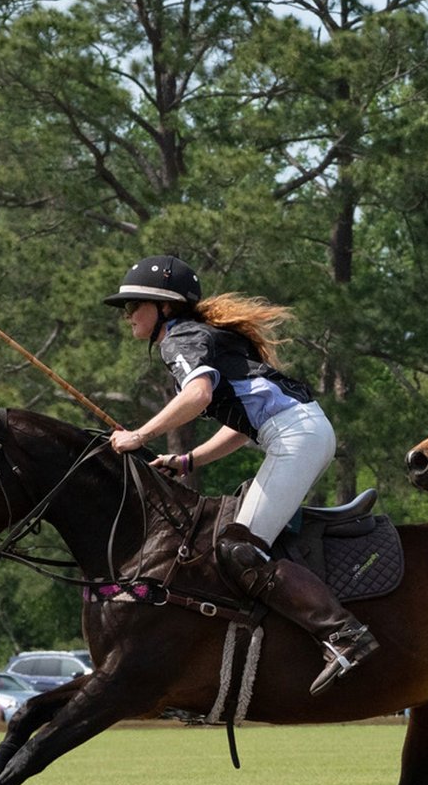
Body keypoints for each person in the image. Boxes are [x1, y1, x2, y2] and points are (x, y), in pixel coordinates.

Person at [102, 255, 378, 696]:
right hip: (303, 431)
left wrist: (140, 434)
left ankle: (343, 633)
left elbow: (198, 393)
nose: (129, 314)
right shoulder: (201, 336)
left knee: (237, 549)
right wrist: (189, 460)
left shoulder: (180, 338)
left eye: (137, 304)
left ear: (166, 309)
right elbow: (239, 425)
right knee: (236, 540)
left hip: (296, 436)